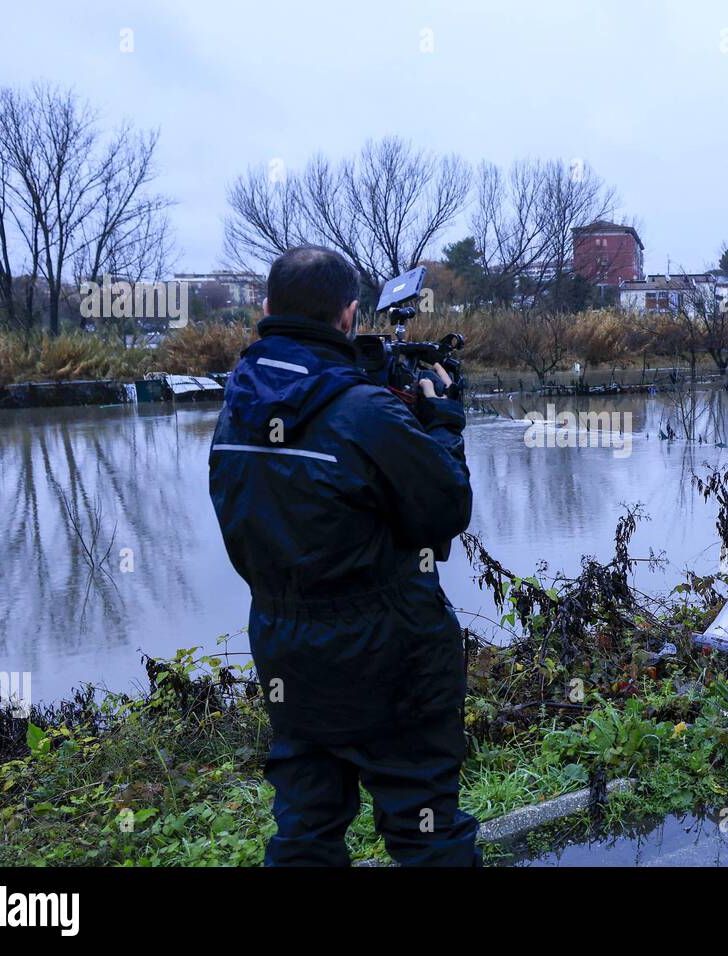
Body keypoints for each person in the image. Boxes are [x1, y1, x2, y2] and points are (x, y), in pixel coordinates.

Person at [208, 245, 478, 866]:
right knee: (424, 826)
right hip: (392, 653)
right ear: (351, 316)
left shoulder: (236, 407)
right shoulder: (364, 410)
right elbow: (443, 511)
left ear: (269, 309)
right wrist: (440, 422)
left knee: (306, 828)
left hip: (286, 649)